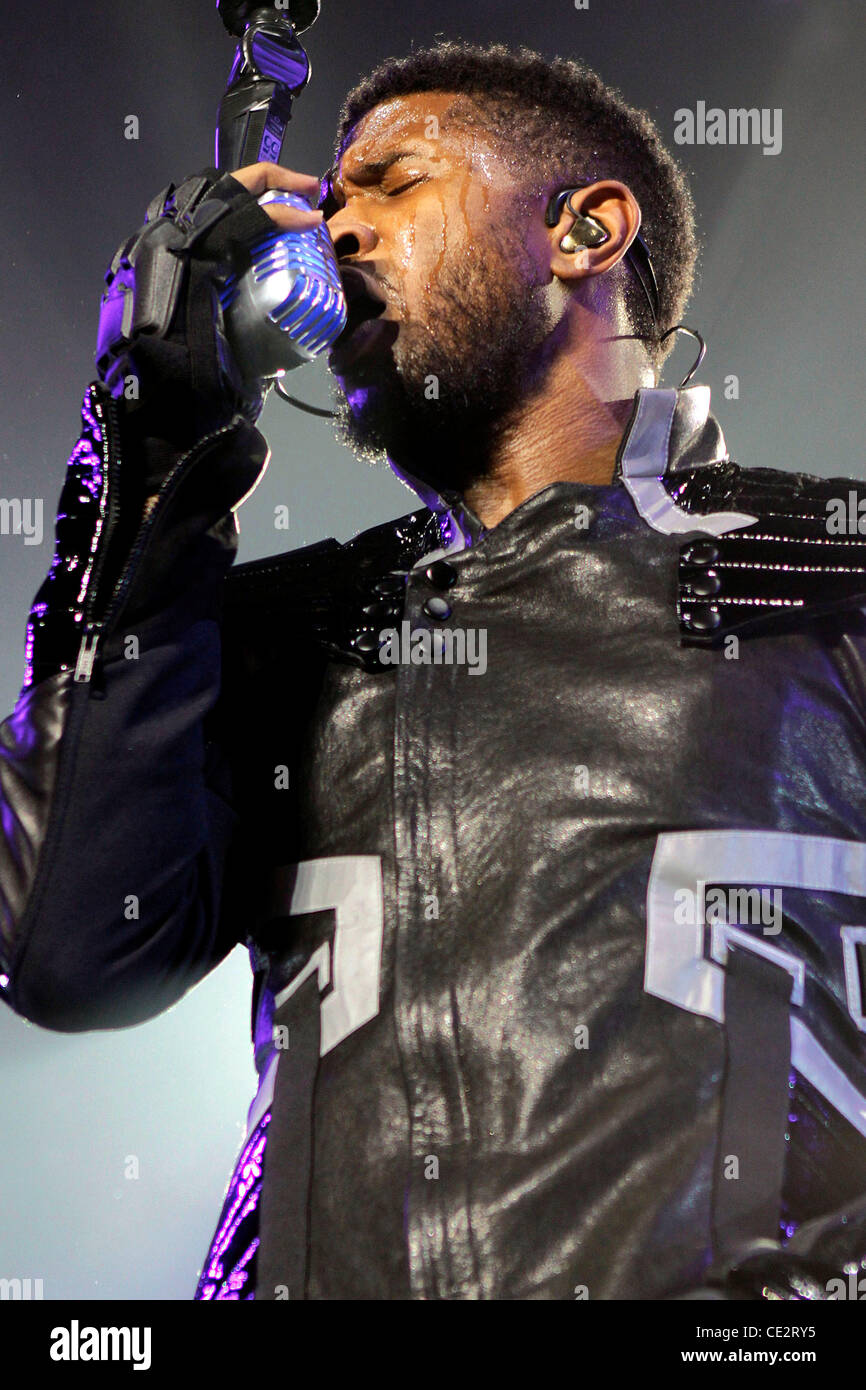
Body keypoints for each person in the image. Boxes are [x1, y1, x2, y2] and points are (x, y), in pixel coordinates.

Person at [3, 39, 866, 1301]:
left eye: (387, 185)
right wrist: (155, 433)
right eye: (325, 203)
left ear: (583, 229)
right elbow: (66, 951)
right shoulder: (284, 631)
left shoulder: (825, 575)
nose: (325, 234)